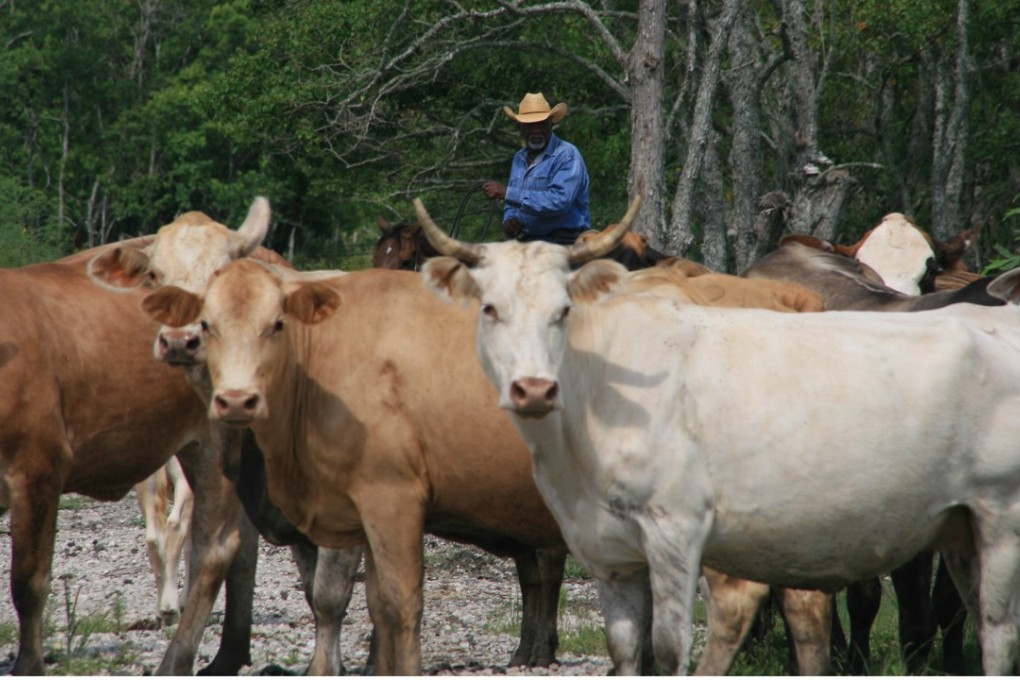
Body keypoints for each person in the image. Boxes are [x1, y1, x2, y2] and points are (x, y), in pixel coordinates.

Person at [481, 92, 591, 245]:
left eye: (541, 124)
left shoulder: (566, 154)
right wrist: (510, 221)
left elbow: (559, 201)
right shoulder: (519, 159)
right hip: (530, 241)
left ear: (551, 125)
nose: (536, 130)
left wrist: (506, 192)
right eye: (529, 125)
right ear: (520, 127)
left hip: (565, 242)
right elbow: (511, 204)